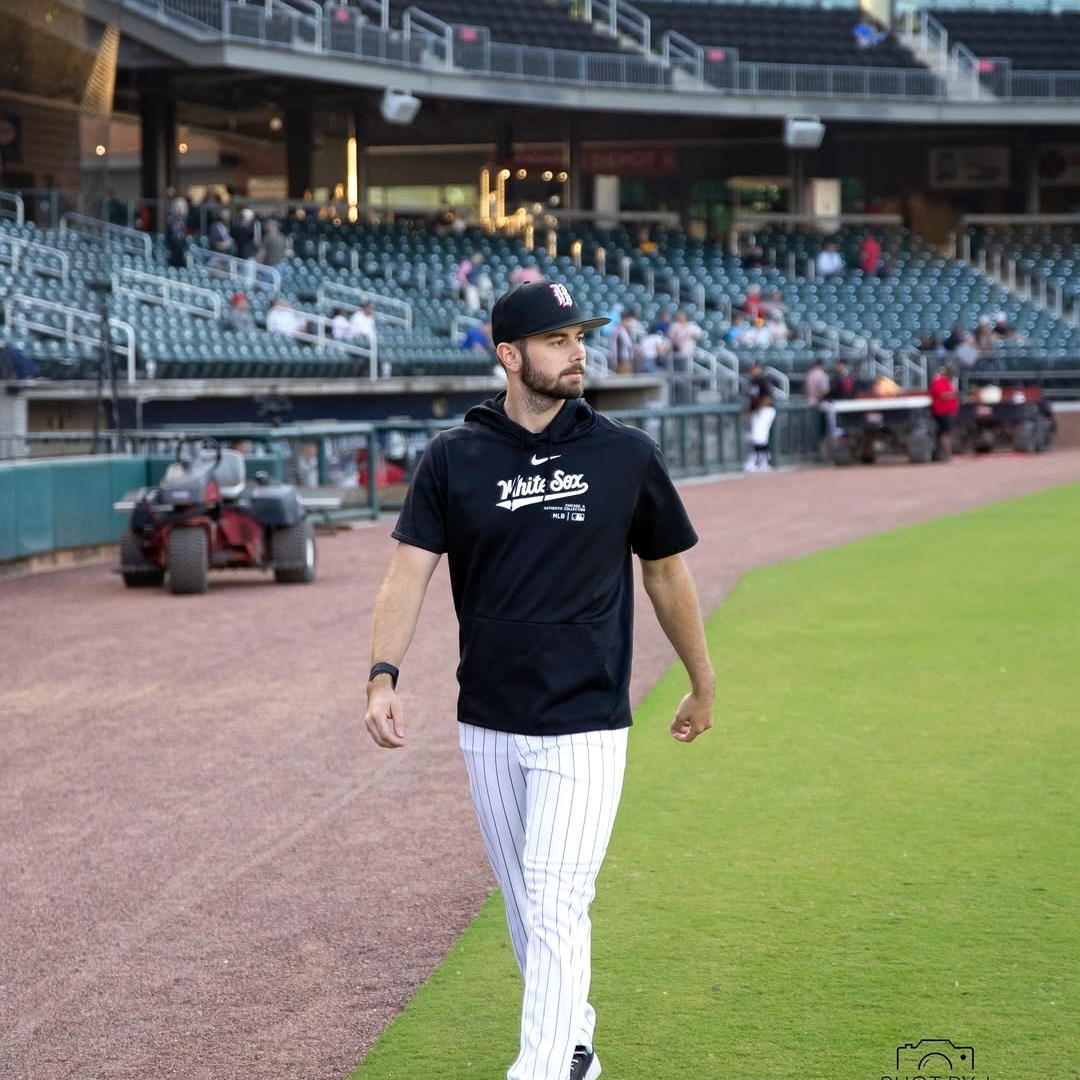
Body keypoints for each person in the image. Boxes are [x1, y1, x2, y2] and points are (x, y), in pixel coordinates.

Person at [363, 278, 715, 1080]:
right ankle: (578, 1049)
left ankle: (543, 1068)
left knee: (557, 900)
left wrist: (702, 678)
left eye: (579, 337)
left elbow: (666, 573)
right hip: (487, 720)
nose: (577, 351)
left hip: (586, 722)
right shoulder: (454, 458)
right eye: (557, 340)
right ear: (509, 355)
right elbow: (406, 575)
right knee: (528, 911)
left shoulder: (625, 455)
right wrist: (381, 675)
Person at [743, 361, 776, 472]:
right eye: (751, 369)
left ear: (759, 368)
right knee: (761, 437)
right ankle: (763, 461)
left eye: (754, 368)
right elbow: (750, 399)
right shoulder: (752, 382)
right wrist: (747, 411)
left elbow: (768, 398)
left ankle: (756, 461)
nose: (752, 371)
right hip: (756, 411)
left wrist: (758, 409)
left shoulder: (764, 380)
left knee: (757, 436)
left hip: (765, 410)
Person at [929, 364, 959, 459]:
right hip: (942, 413)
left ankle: (945, 455)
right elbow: (942, 395)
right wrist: (954, 394)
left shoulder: (947, 382)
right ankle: (947, 455)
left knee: (946, 433)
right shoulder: (939, 382)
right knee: (944, 434)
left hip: (948, 412)